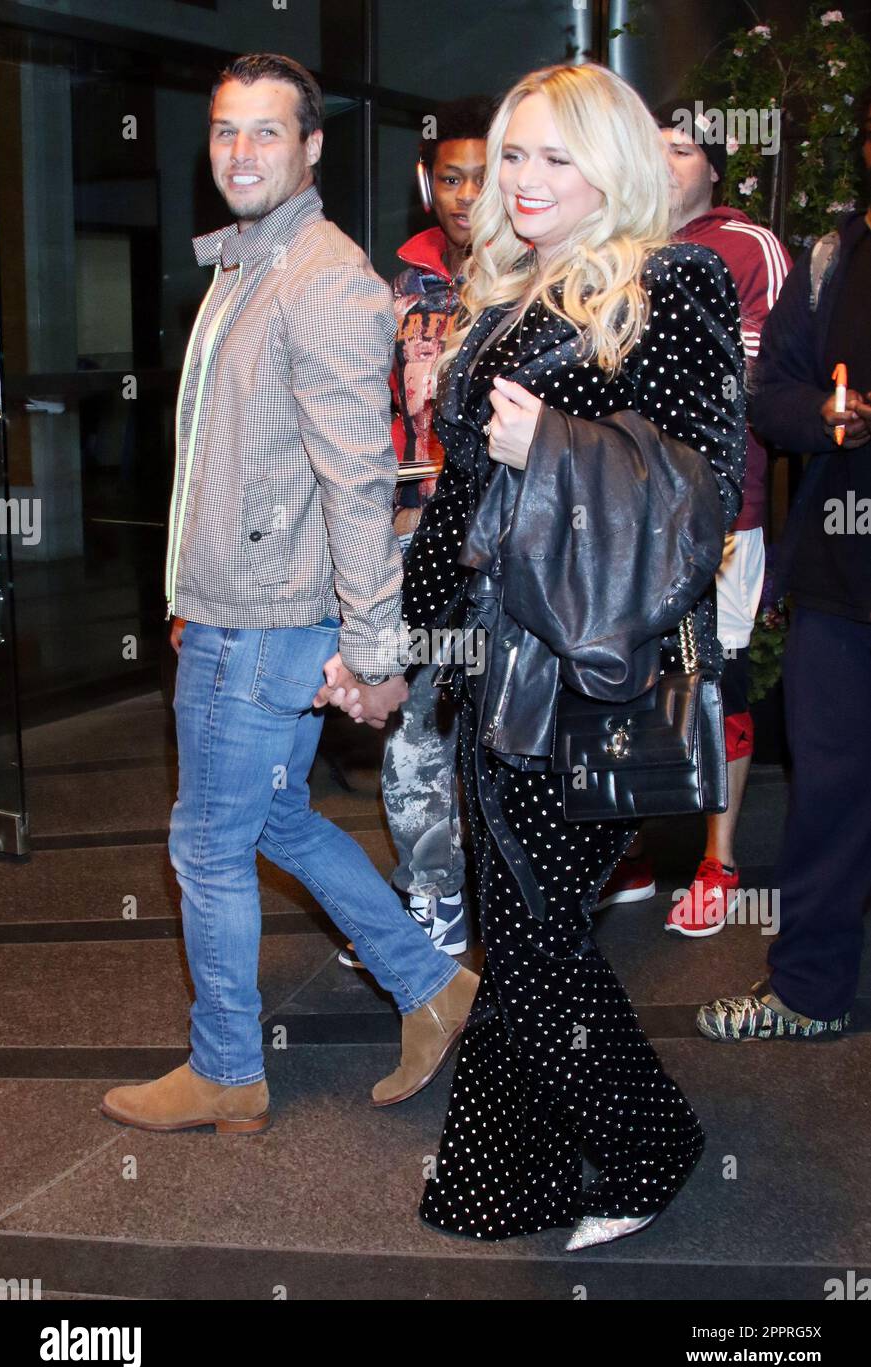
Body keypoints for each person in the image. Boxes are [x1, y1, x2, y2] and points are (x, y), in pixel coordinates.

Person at [331, 63, 745, 1248]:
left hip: (590, 674)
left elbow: (698, 491)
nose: (520, 180)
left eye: (554, 157)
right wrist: (403, 650)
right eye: (511, 155)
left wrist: (551, 444)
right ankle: (505, 1173)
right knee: (521, 929)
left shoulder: (674, 281)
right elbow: (459, 508)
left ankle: (643, 1143)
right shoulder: (506, 293)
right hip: (496, 672)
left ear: (609, 164)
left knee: (531, 937)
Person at [100, 52, 478, 1135]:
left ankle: (227, 1067)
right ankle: (432, 983)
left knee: (205, 846)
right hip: (232, 603)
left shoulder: (321, 280)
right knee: (270, 819)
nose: (241, 152)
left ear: (312, 147)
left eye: (268, 132)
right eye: (226, 130)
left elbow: (358, 479)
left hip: (265, 619)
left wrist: (372, 647)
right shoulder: (249, 266)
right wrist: (189, 589)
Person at [698, 88, 871, 1040]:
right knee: (830, 799)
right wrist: (826, 419)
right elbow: (773, 397)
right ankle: (807, 991)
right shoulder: (832, 258)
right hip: (840, 583)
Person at [602, 97, 791, 936]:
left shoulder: (744, 246)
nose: (666, 163)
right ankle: (633, 851)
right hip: (620, 510)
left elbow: (765, 381)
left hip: (720, 509)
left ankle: (719, 861)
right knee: (627, 676)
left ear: (714, 166)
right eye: (653, 150)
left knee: (720, 674)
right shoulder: (612, 243)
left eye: (681, 151)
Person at [339, 98, 493, 970]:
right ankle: (432, 896)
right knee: (419, 727)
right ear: (424, 183)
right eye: (450, 177)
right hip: (421, 543)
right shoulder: (393, 291)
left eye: (483, 173)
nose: (466, 195)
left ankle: (514, 896)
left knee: (510, 731)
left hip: (516, 552)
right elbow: (366, 418)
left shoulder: (545, 278)